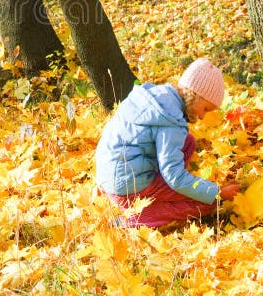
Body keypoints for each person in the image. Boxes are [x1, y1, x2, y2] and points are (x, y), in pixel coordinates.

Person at [95, 57, 241, 228]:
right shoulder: (171, 120)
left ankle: (138, 198)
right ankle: (131, 219)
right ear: (196, 95)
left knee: (188, 142)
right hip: (126, 187)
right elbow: (175, 177)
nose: (202, 116)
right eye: (206, 109)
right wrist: (218, 193)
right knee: (208, 204)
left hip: (108, 176)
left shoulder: (155, 98)